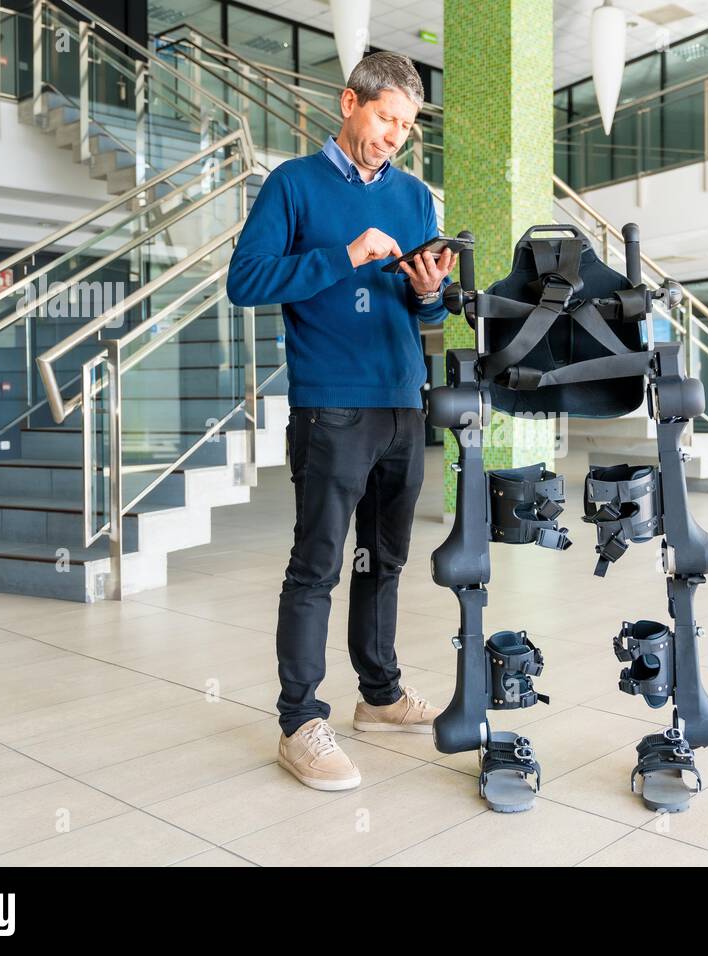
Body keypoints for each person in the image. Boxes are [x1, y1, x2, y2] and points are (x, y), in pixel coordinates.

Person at [226, 51, 453, 791]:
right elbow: (247, 280)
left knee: (384, 562)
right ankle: (299, 722)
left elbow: (429, 309)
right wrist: (344, 255)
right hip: (332, 405)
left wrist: (428, 294)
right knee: (318, 565)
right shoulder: (293, 184)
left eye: (406, 126)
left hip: (402, 401)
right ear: (350, 102)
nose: (395, 136)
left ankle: (379, 695)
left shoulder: (416, 197)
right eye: (387, 118)